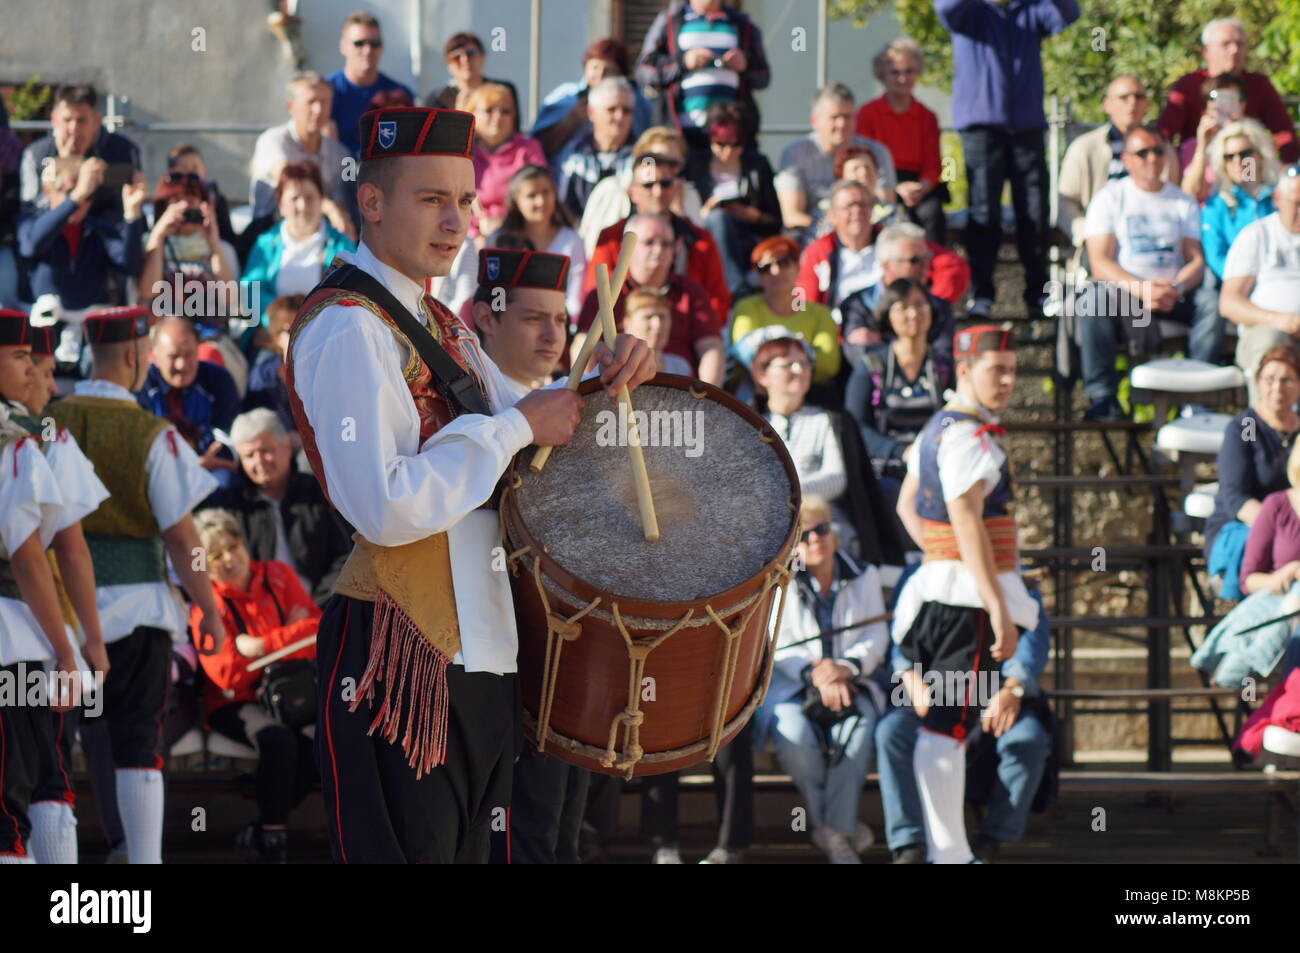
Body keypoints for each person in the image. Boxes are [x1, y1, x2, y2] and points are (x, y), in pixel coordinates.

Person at [283, 105, 654, 863]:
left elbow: (531, 426)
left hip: (481, 654)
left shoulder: (438, 320)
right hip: (403, 654)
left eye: (465, 200)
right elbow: (385, 504)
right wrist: (520, 427)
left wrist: (608, 380)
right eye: (432, 199)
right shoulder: (350, 324)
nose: (456, 220)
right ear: (373, 202)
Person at [50, 306, 228, 864]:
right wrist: (212, 612)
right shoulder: (153, 435)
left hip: (54, 616)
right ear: (134, 358)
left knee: (53, 755)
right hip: (139, 615)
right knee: (137, 750)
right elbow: (183, 539)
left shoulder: (48, 425)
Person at [892, 324, 1039, 864]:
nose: (1005, 379)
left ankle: (947, 852)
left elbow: (908, 507)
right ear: (964, 370)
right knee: (947, 725)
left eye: (1011, 370)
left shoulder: (939, 426)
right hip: (966, 599)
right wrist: (994, 601)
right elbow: (966, 518)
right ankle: (950, 855)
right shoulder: (967, 435)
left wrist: (938, 553)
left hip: (940, 590)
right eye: (994, 369)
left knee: (946, 723)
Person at [0, 311, 110, 865]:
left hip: (21, 634)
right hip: (16, 637)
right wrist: (77, 648)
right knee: (29, 787)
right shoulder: (30, 442)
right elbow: (47, 554)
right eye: (22, 359)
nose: (39, 378)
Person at [878, 578, 1051, 863]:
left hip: (995, 694)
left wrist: (1012, 689)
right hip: (932, 691)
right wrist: (909, 676)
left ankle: (991, 838)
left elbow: (1031, 643)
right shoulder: (920, 577)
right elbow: (899, 638)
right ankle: (910, 844)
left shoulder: (1016, 583)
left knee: (1026, 741)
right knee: (892, 733)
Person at [756, 494, 888, 864]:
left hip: (851, 683)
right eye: (805, 534)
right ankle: (839, 829)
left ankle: (830, 829)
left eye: (823, 530)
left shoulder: (865, 575)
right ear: (793, 544)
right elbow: (774, 639)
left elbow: (876, 637)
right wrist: (816, 672)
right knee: (794, 738)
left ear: (835, 533)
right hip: (795, 686)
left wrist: (846, 668)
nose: (816, 540)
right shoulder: (781, 582)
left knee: (859, 736)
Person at [189, 508, 320, 863]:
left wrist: (259, 645)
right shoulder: (207, 605)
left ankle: (261, 815)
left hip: (288, 692)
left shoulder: (277, 575)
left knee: (323, 740)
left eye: (232, 546)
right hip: (234, 703)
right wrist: (289, 635)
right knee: (279, 741)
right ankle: (272, 836)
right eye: (215, 554)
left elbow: (317, 631)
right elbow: (228, 675)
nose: (229, 558)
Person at [937, 0, 1080, 319]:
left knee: (1034, 211)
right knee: (983, 210)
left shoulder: (1030, 10)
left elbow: (1069, 13)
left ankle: (1038, 293)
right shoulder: (972, 12)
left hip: (1027, 127)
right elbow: (945, 9)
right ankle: (982, 294)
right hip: (981, 127)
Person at [1078, 126, 1206, 421]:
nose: (1152, 158)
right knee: (1093, 297)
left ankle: (1197, 400)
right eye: (1142, 153)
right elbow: (1099, 263)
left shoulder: (1182, 201)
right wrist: (1143, 289)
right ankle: (1103, 397)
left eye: (1158, 151)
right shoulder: (1109, 198)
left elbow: (1196, 260)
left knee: (1213, 302)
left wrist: (1175, 287)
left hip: (1175, 294)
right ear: (1126, 160)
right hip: (1127, 296)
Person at [203, 408, 354, 607]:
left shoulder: (320, 492)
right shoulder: (233, 507)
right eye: (249, 456)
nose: (259, 462)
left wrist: (314, 605)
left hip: (324, 608)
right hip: (262, 617)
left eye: (266, 451)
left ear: (286, 447)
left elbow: (347, 555)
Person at [573, 212, 726, 385]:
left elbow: (711, 349)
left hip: (680, 397)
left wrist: (705, 401)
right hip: (615, 390)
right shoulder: (605, 294)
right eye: (649, 242)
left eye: (666, 243)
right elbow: (583, 346)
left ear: (676, 249)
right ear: (627, 247)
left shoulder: (692, 293)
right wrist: (589, 394)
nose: (658, 250)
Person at [17, 155, 146, 357]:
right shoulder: (32, 222)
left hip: (90, 333)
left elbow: (129, 265)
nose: (80, 201)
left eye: (87, 195)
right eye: (68, 192)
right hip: (48, 326)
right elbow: (31, 245)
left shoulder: (99, 229)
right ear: (47, 192)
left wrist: (132, 213)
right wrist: (76, 197)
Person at [845, 278, 953, 519]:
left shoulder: (943, 367)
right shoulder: (872, 366)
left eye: (920, 304)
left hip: (937, 466)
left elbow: (956, 414)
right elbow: (856, 426)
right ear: (887, 315)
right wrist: (900, 452)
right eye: (903, 307)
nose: (914, 313)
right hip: (887, 471)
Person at [585, 148, 730, 324]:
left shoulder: (699, 240)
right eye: (648, 185)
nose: (658, 192)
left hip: (686, 337)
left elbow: (717, 301)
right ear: (632, 192)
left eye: (665, 183)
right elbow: (595, 296)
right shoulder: (611, 239)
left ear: (675, 188)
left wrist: (697, 330)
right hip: (623, 332)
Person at [1058, 75, 1178, 276]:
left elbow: (1171, 193)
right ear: (1107, 105)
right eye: (1124, 97)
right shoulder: (1085, 148)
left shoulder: (1162, 149)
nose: (1132, 103)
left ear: (1146, 104)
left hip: (1152, 243)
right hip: (1101, 241)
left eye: (1138, 97)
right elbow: (1066, 201)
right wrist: (1087, 233)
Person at [1204, 347, 1300, 599]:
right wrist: (1278, 527)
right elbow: (1233, 495)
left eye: (1286, 379)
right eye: (1270, 380)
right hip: (1244, 524)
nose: (1277, 388)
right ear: (1258, 383)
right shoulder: (1244, 428)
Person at [1157, 17, 1299, 166]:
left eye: (1239, 44)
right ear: (1207, 51)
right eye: (1226, 44)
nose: (1234, 50)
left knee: (1248, 172)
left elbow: (1285, 134)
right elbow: (1163, 135)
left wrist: (1288, 171)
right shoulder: (1188, 86)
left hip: (1246, 167)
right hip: (1204, 168)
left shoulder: (1259, 85)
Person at [634, 0, 770, 148]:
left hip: (730, 139)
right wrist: (683, 62)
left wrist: (745, 64)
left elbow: (763, 77)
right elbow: (643, 70)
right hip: (682, 136)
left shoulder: (741, 24)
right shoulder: (671, 20)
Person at [683, 102, 782, 299]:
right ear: (710, 140)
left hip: (748, 243)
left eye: (734, 145)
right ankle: (735, 289)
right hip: (706, 239)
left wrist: (753, 216)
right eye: (720, 144)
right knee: (718, 218)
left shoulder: (757, 166)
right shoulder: (694, 165)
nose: (727, 152)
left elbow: (776, 222)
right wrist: (703, 214)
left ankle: (734, 288)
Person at [855, 37, 948, 244]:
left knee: (932, 214)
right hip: (880, 184)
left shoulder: (927, 117)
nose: (902, 78)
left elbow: (933, 165)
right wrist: (894, 188)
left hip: (918, 186)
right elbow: (863, 160)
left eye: (908, 71)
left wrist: (920, 188)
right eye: (895, 72)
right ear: (882, 75)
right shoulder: (867, 113)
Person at [776, 84, 898, 240]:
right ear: (815, 121)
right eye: (834, 117)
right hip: (814, 236)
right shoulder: (795, 154)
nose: (842, 124)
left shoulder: (877, 153)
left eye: (847, 117)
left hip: (868, 235)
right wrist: (836, 227)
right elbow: (792, 216)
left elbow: (886, 208)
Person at [1220, 168, 1300, 401]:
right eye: (1296, 203)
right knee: (1273, 342)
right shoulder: (1256, 235)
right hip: (1267, 334)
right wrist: (1280, 320)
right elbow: (1229, 303)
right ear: (1277, 199)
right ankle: (1268, 433)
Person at [242, 162, 356, 322]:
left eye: (309, 198)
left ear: (321, 200)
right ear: (281, 204)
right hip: (275, 337)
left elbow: (353, 294)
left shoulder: (341, 246)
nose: (302, 206)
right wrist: (279, 319)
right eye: (294, 198)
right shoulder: (265, 244)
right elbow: (249, 291)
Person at [730, 235, 840, 390]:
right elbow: (744, 353)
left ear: (798, 266)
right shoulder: (746, 308)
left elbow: (828, 365)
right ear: (757, 275)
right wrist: (801, 353)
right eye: (765, 268)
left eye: (783, 262)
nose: (775, 271)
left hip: (809, 395)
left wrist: (773, 354)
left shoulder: (820, 314)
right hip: (756, 394)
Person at [840, 221, 959, 365]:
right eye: (915, 260)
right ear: (887, 265)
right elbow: (861, 358)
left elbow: (942, 359)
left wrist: (883, 344)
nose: (925, 265)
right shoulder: (857, 305)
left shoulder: (939, 307)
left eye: (927, 257)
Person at [18, 83, 141, 221]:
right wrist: (62, 171)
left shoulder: (121, 151)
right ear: (54, 120)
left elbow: (122, 210)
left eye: (81, 120)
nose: (74, 129)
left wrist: (97, 184)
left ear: (97, 120)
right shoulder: (37, 154)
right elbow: (30, 210)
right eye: (67, 120)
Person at [578, 125, 704, 257]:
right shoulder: (613, 191)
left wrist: (678, 215)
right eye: (655, 160)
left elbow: (700, 252)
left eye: (673, 164)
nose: (664, 168)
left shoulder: (688, 193)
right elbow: (596, 249)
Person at [137, 171, 242, 322]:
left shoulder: (223, 249)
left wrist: (214, 242)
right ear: (164, 207)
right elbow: (148, 291)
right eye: (177, 200)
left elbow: (231, 301)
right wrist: (158, 236)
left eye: (191, 199)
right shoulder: (150, 243)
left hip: (208, 332)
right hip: (164, 332)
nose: (185, 206)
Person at [249, 72, 352, 221]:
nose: (318, 109)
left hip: (322, 234)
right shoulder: (271, 141)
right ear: (291, 106)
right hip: (271, 231)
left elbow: (344, 202)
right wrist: (329, 208)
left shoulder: (342, 154)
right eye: (311, 102)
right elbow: (288, 180)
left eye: (324, 102)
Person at [489, 165, 586, 318]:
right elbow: (494, 293)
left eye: (546, 193)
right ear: (516, 201)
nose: (541, 201)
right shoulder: (498, 242)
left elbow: (574, 299)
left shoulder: (572, 241)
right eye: (531, 195)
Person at [531, 38, 653, 159]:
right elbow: (538, 146)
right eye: (595, 68)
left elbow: (647, 143)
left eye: (607, 70)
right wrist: (571, 119)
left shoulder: (636, 101)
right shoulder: (565, 97)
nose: (599, 76)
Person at [471, 247, 570, 391]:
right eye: (534, 319)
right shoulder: (458, 406)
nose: (553, 337)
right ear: (486, 319)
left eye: (560, 320)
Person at [325, 11, 415, 156]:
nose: (367, 51)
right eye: (359, 43)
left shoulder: (399, 94)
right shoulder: (326, 92)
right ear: (343, 47)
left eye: (374, 44)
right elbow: (326, 150)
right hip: (340, 173)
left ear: (382, 47)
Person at [467, 84, 547, 239]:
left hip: (518, 234)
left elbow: (541, 196)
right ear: (472, 114)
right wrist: (476, 232)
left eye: (505, 111)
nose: (498, 117)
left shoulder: (528, 149)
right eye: (489, 110)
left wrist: (505, 223)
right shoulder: (463, 152)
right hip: (469, 236)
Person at [554, 77, 637, 221]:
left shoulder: (644, 157)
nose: (619, 116)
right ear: (592, 113)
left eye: (626, 110)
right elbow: (564, 206)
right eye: (612, 109)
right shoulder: (572, 156)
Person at [1178, 73, 1249, 203]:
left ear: (1242, 104)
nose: (1223, 105)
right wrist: (1202, 146)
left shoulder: (1254, 142)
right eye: (1215, 97)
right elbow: (1190, 194)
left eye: (1231, 98)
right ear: (1206, 105)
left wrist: (1241, 139)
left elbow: (1251, 184)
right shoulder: (1192, 147)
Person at [243, 294, 303, 435]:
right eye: (292, 330)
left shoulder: (328, 370)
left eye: (306, 327)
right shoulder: (263, 378)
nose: (302, 336)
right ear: (276, 338)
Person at [426, 31, 521, 117]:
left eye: (470, 53)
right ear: (448, 64)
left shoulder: (503, 90)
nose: (465, 61)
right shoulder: (438, 98)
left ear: (483, 56)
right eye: (456, 57)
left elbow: (513, 131)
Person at [621, 289, 694, 376]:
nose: (658, 324)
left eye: (662, 317)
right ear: (627, 324)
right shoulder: (613, 367)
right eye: (648, 317)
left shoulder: (680, 366)